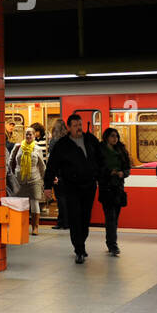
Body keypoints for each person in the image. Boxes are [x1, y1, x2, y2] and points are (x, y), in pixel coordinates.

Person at [43, 113, 102, 264]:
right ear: (69, 127)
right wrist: (48, 186)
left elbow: (101, 159)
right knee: (75, 217)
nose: (79, 128)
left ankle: (81, 242)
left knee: (85, 218)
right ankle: (79, 249)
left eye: (80, 125)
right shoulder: (62, 145)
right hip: (71, 187)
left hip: (89, 186)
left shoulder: (90, 140)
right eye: (75, 126)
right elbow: (51, 166)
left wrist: (100, 176)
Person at [98, 127, 131, 256]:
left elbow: (127, 168)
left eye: (116, 136)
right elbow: (97, 168)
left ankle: (110, 241)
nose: (115, 138)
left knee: (115, 218)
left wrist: (123, 173)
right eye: (112, 136)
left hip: (118, 187)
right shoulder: (100, 150)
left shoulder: (121, 150)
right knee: (110, 217)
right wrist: (108, 172)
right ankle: (113, 245)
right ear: (106, 137)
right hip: (106, 187)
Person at [7, 127, 45, 235]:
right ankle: (20, 226)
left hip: (34, 179)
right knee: (19, 204)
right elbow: (10, 160)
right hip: (19, 180)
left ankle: (35, 227)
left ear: (34, 136)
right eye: (27, 134)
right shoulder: (18, 147)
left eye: (30, 134)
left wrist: (45, 179)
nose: (28, 136)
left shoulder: (37, 149)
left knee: (34, 202)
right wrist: (11, 175)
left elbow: (42, 165)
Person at [45, 118, 69, 228]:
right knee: (67, 198)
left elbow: (53, 160)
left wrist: (53, 175)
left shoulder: (54, 141)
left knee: (60, 198)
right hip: (67, 174)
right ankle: (67, 222)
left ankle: (62, 222)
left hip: (58, 173)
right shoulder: (68, 139)